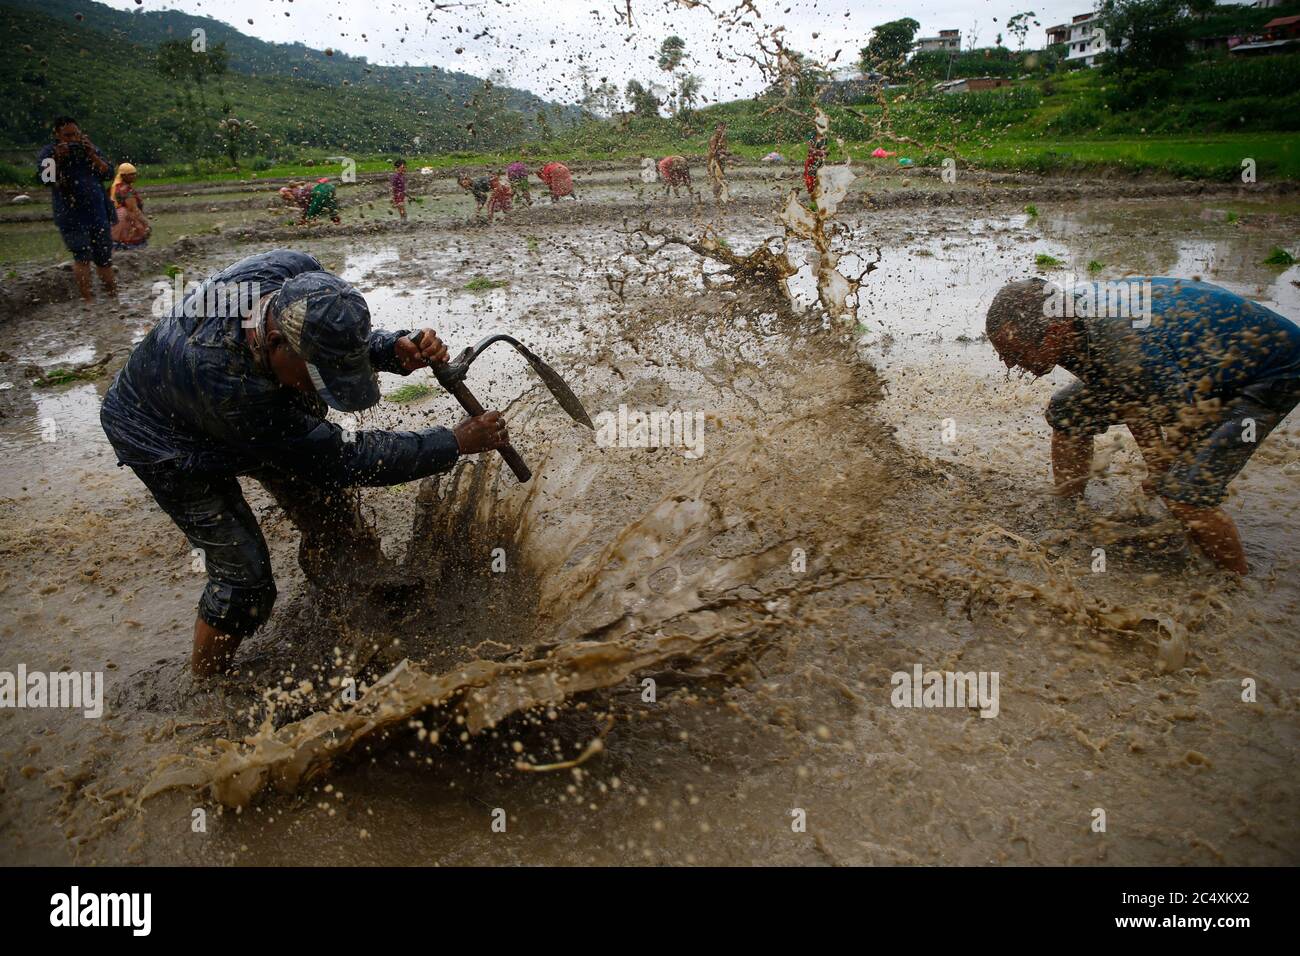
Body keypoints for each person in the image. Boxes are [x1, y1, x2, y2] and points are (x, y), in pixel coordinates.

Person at [99, 250, 512, 676]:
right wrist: (453, 441)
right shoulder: (230, 385)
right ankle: (207, 685)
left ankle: (355, 601)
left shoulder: (293, 272)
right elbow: (341, 458)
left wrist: (392, 347)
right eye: (316, 375)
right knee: (245, 580)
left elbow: (330, 339)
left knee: (331, 514)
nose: (321, 387)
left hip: (230, 399)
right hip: (160, 436)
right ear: (276, 343)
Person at [985, 276, 1300, 574]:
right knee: (1069, 412)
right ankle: (1068, 509)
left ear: (1054, 333)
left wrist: (1168, 471)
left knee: (1186, 493)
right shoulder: (1067, 320)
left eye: (1013, 353)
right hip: (1181, 358)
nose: (1010, 363)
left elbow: (1185, 418)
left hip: (1274, 369)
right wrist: (1158, 464)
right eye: (1003, 353)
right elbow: (1133, 397)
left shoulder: (1118, 341)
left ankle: (1237, 585)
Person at [36, 116, 116, 302]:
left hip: (98, 213)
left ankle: (113, 297)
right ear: (57, 135)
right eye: (67, 135)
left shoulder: (89, 148)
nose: (72, 139)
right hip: (70, 214)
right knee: (82, 256)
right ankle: (88, 300)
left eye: (75, 134)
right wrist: (57, 158)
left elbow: (109, 173)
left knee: (104, 258)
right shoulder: (49, 153)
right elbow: (46, 180)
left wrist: (92, 155)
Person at [109, 162, 150, 250]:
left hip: (118, 218)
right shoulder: (125, 190)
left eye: (134, 174)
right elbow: (133, 209)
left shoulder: (117, 187)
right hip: (127, 219)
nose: (134, 176)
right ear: (123, 176)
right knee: (133, 247)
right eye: (131, 174)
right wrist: (145, 224)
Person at [707, 123, 732, 203]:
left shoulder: (723, 139)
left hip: (721, 162)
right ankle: (721, 197)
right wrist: (720, 145)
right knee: (718, 179)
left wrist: (725, 152)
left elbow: (724, 149)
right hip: (713, 161)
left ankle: (720, 196)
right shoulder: (713, 139)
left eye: (723, 129)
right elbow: (713, 152)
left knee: (719, 178)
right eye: (720, 129)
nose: (722, 131)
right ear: (716, 130)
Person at [803, 134, 828, 201]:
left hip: (819, 161)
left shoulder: (824, 138)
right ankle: (812, 193)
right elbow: (810, 149)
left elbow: (825, 150)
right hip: (811, 161)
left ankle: (819, 194)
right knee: (810, 177)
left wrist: (824, 154)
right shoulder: (812, 136)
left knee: (819, 177)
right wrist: (818, 152)